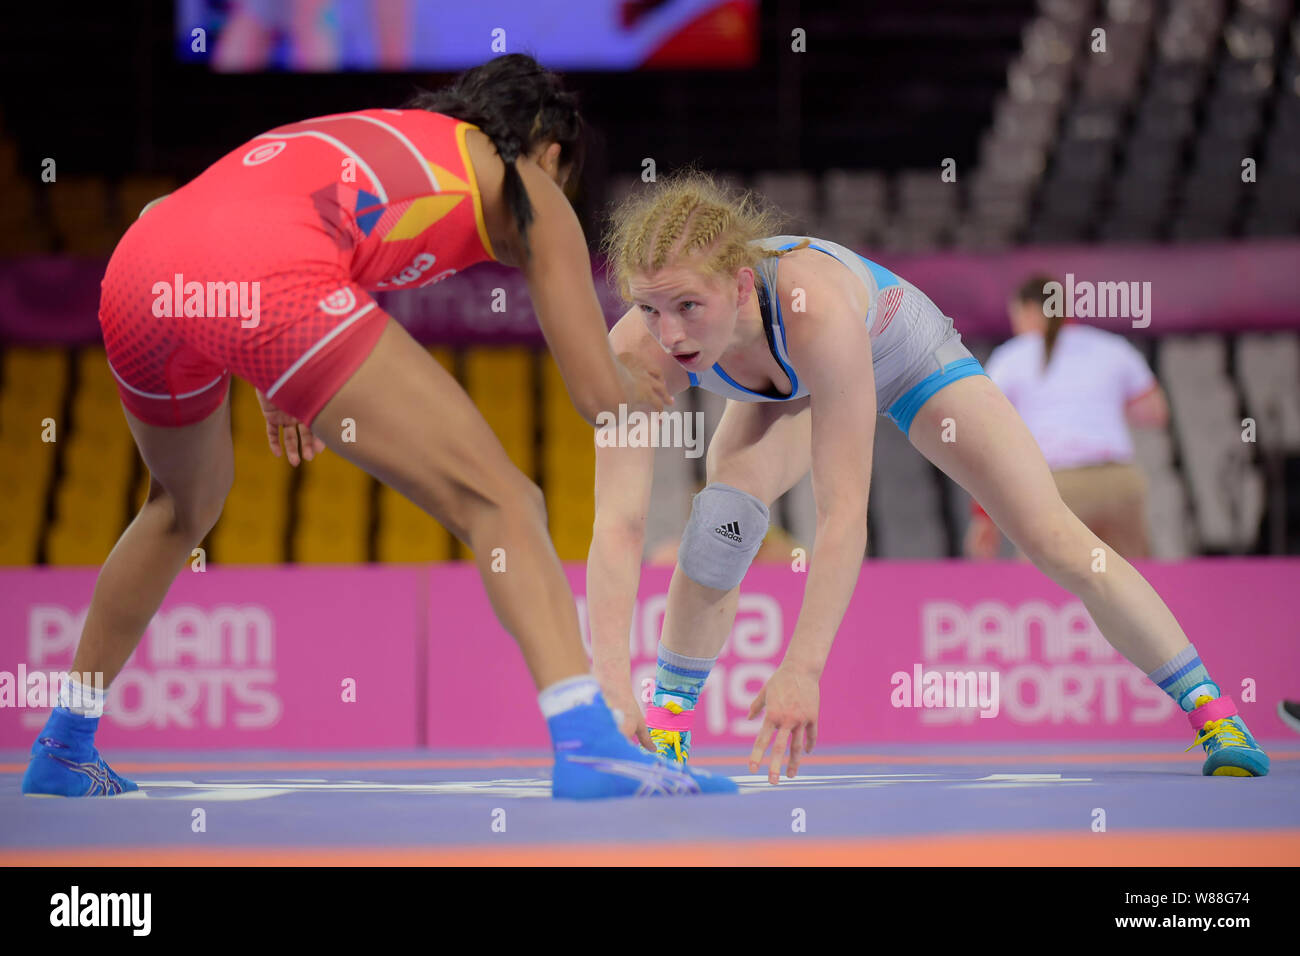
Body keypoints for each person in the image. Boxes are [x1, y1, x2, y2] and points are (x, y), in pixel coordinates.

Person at [22, 55, 734, 800]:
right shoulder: (529, 183)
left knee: (179, 506)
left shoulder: (393, 142)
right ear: (549, 150)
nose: (563, 192)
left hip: (143, 264)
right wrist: (642, 379)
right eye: (568, 174)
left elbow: (272, 219)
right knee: (505, 502)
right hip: (266, 276)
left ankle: (66, 743)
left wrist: (270, 368)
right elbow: (598, 399)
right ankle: (590, 747)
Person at [586, 170, 1269, 782]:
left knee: (1057, 539)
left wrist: (803, 666)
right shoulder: (635, 351)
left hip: (904, 355)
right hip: (788, 387)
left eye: (686, 307)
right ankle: (666, 735)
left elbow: (843, 512)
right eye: (648, 308)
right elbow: (618, 527)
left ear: (739, 287)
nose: (668, 333)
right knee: (719, 526)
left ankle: (1214, 713)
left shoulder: (815, 309)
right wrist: (611, 689)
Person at [965, 275, 1169, 560]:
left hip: (1055, 488)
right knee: (1131, 590)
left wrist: (983, 514)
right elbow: (1154, 413)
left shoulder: (1010, 358)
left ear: (1030, 311)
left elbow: (985, 438)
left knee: (1041, 591)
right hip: (1119, 484)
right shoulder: (1113, 347)